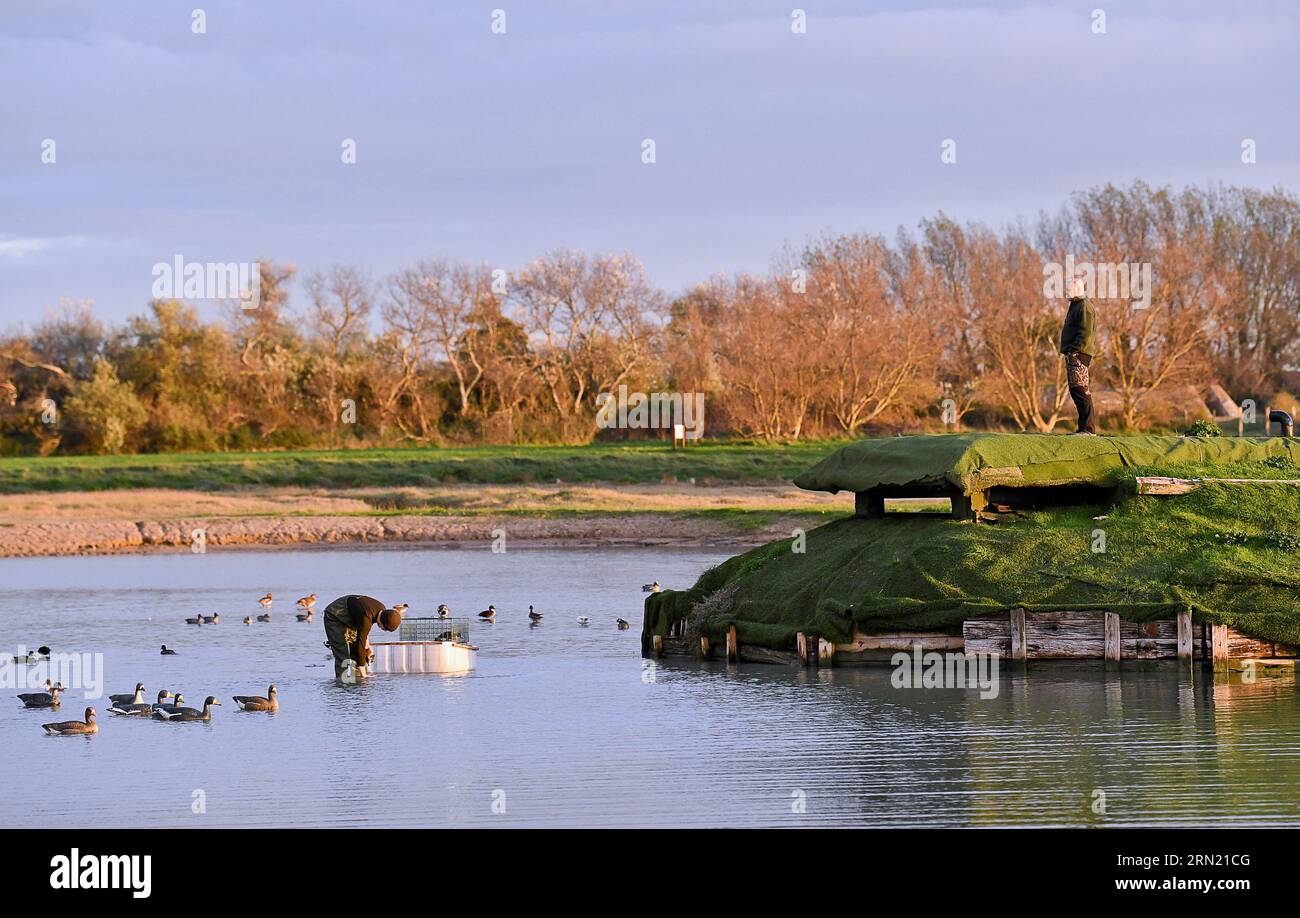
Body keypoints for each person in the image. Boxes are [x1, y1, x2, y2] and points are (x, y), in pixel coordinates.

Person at [322, 595, 402, 680]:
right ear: (382, 621)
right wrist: (364, 676)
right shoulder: (366, 618)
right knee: (343, 653)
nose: (384, 630)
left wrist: (368, 646)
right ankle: (343, 683)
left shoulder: (381, 610)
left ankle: (356, 681)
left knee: (355, 651)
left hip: (351, 619)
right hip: (334, 615)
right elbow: (361, 643)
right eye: (385, 628)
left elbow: (363, 632)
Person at [1059, 277, 1098, 435]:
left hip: (1079, 353)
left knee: (1081, 390)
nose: (1066, 291)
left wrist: (1074, 350)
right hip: (1074, 353)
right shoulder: (1076, 305)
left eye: (1069, 288)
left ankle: (1088, 429)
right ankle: (1083, 428)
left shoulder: (1084, 306)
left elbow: (1086, 333)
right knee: (1076, 389)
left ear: (1077, 289)